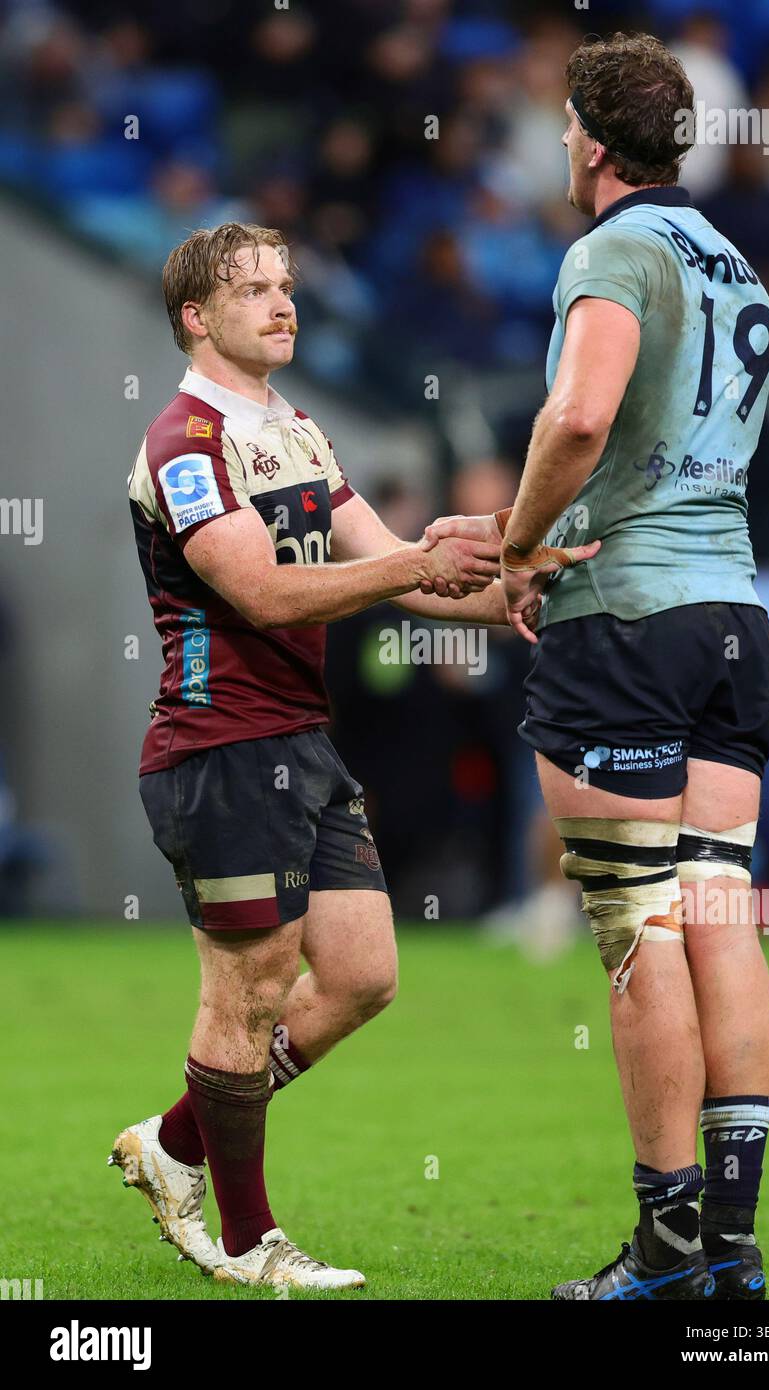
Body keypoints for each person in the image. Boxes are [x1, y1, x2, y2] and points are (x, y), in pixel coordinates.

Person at [111, 221, 597, 1292]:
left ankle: (175, 1143)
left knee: (364, 975)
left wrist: (507, 560)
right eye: (253, 291)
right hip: (216, 745)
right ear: (196, 317)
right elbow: (266, 592)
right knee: (248, 991)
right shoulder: (183, 440)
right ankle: (247, 1238)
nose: (283, 304)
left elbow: (396, 570)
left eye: (286, 286)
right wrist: (420, 560)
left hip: (301, 744)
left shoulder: (299, 431)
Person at [426, 32, 769, 1301]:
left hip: (623, 615)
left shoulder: (609, 248)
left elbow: (576, 415)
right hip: (731, 618)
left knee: (641, 930)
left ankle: (665, 1250)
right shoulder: (735, 259)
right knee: (722, 915)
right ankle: (728, 1248)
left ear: (585, 135)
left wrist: (517, 547)